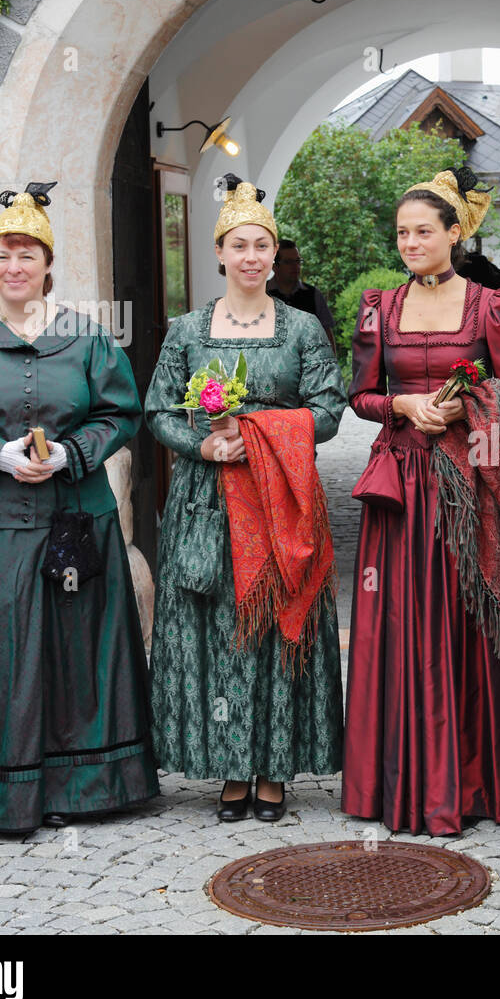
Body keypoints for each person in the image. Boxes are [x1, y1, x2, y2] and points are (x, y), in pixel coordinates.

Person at [0, 183, 158, 833]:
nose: (14, 267)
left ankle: (83, 784)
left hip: (71, 520)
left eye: (27, 255)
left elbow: (120, 413)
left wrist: (72, 453)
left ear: (47, 264)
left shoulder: (87, 337)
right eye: (3, 256)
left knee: (72, 652)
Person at [342, 167, 500, 836]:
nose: (410, 242)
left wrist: (465, 408)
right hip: (401, 488)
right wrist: (401, 402)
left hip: (466, 489)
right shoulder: (378, 306)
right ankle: (401, 784)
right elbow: (359, 394)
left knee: (467, 626)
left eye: (424, 231)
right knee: (401, 624)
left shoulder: (492, 306)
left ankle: (475, 785)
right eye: (402, 232)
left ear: (455, 233)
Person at [146, 174, 345, 822]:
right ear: (220, 252)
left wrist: (260, 435)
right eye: (240, 245)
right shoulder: (186, 331)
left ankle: (274, 764)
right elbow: (157, 412)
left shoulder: (302, 330)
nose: (253, 256)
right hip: (207, 499)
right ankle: (230, 766)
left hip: (280, 497)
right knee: (222, 629)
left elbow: (330, 409)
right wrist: (203, 447)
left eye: (264, 244)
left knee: (276, 628)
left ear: (274, 251)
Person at [267, 238, 337, 353]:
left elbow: (326, 333)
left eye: (298, 261)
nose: (295, 266)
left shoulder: (313, 295)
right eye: (288, 262)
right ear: (275, 266)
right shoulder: (261, 295)